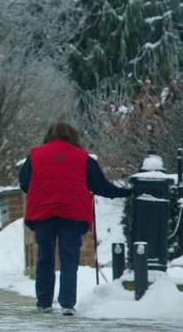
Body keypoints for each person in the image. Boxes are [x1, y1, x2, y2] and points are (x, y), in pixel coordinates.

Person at [18, 122, 131, 315]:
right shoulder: (83, 158)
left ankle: (44, 302)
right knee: (69, 257)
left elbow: (24, 183)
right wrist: (126, 192)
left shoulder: (35, 155)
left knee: (45, 257)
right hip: (73, 213)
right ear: (73, 136)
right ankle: (68, 304)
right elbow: (101, 186)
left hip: (43, 213)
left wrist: (43, 193)